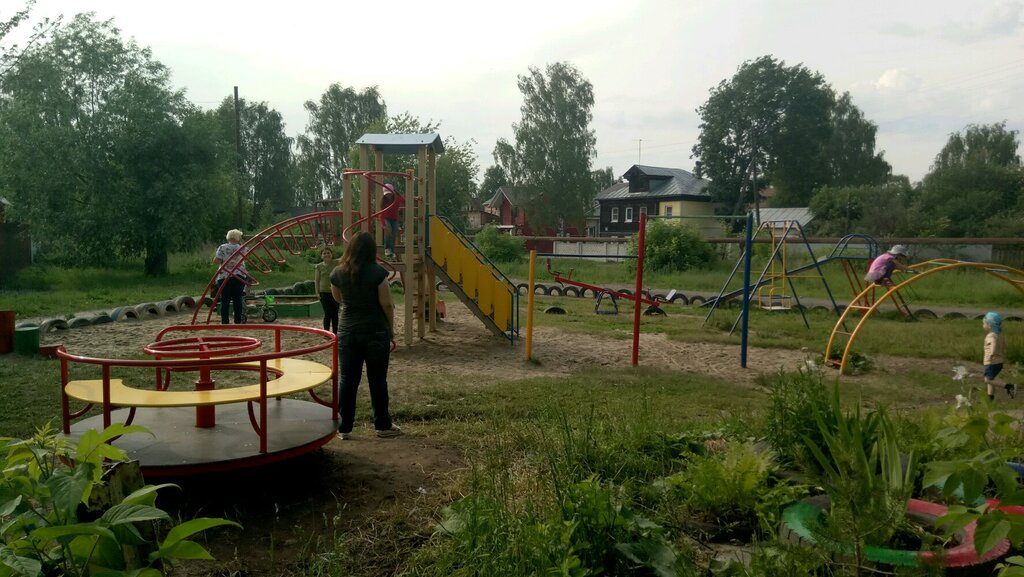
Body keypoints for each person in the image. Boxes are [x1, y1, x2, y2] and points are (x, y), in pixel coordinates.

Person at [330, 231, 402, 439]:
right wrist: (391, 329)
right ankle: (382, 425)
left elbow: (338, 299)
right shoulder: (378, 273)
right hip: (375, 331)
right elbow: (387, 304)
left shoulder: (338, 272)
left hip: (347, 331)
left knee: (348, 379)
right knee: (377, 379)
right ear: (372, 250)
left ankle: (344, 427)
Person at [213, 229, 249, 324]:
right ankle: (238, 321)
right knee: (238, 299)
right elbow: (247, 250)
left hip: (224, 276)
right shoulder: (241, 248)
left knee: (225, 299)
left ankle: (225, 321)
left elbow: (216, 260)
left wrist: (225, 261)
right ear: (238, 238)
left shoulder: (222, 247)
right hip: (239, 275)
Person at [982, 311, 1015, 401]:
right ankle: (990, 398)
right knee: (992, 380)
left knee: (987, 380)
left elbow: (993, 343)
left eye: (984, 323)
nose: (983, 325)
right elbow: (1004, 346)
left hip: (991, 362)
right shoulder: (999, 335)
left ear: (990, 325)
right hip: (999, 362)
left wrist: (992, 353)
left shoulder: (991, 336)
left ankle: (1008, 386)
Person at [314, 248, 339, 334]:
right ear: (321, 256)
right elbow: (317, 280)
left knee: (335, 313)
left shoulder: (336, 263)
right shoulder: (319, 266)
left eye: (328, 253)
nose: (326, 255)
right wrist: (317, 292)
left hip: (335, 292)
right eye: (324, 253)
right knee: (328, 313)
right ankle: (326, 332)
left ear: (331, 254)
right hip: (324, 292)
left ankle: (335, 333)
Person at [378, 183, 405, 260]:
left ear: (393, 192)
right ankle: (387, 249)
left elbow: (405, 200)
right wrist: (384, 226)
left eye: (389, 194)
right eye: (386, 195)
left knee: (394, 234)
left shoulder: (398, 198)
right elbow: (381, 215)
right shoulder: (384, 202)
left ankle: (391, 253)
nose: (388, 196)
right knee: (388, 229)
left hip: (394, 219)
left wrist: (414, 199)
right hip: (386, 218)